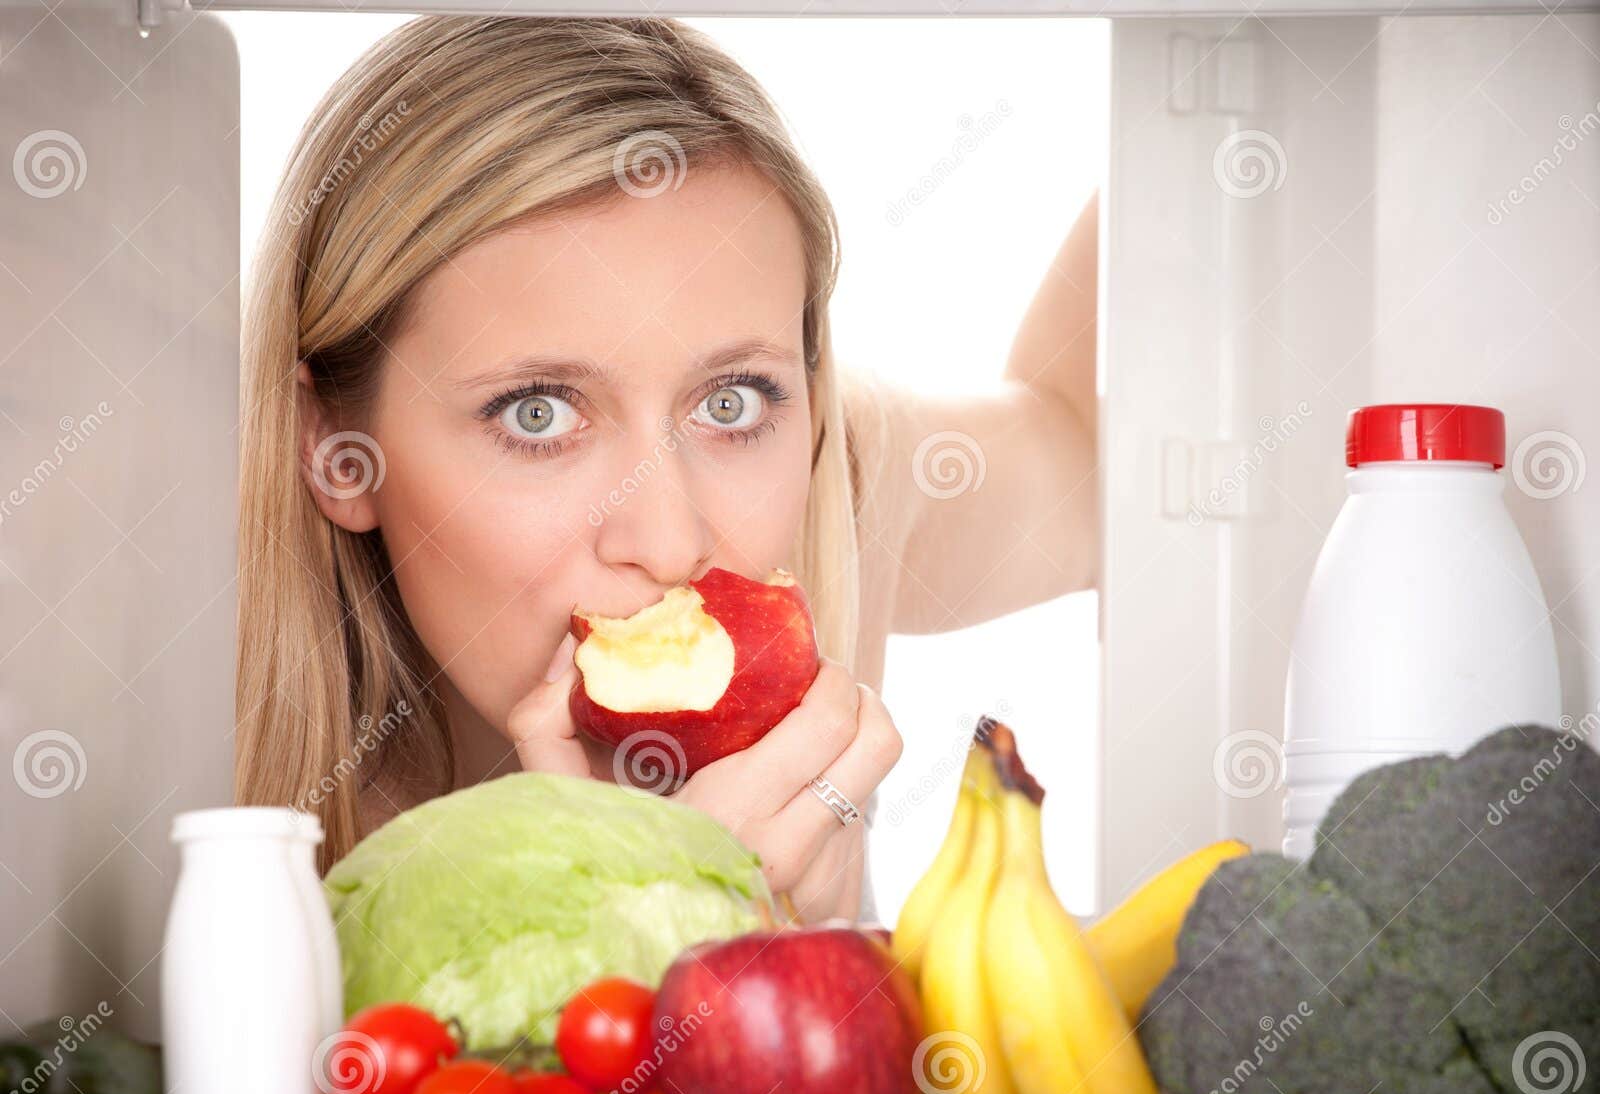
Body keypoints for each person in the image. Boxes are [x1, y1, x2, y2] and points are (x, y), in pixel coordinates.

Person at [236, 16, 1097, 924]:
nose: (672, 541)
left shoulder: (841, 481)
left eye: (732, 402)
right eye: (540, 414)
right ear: (331, 447)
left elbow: (1099, 452)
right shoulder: (168, 761)